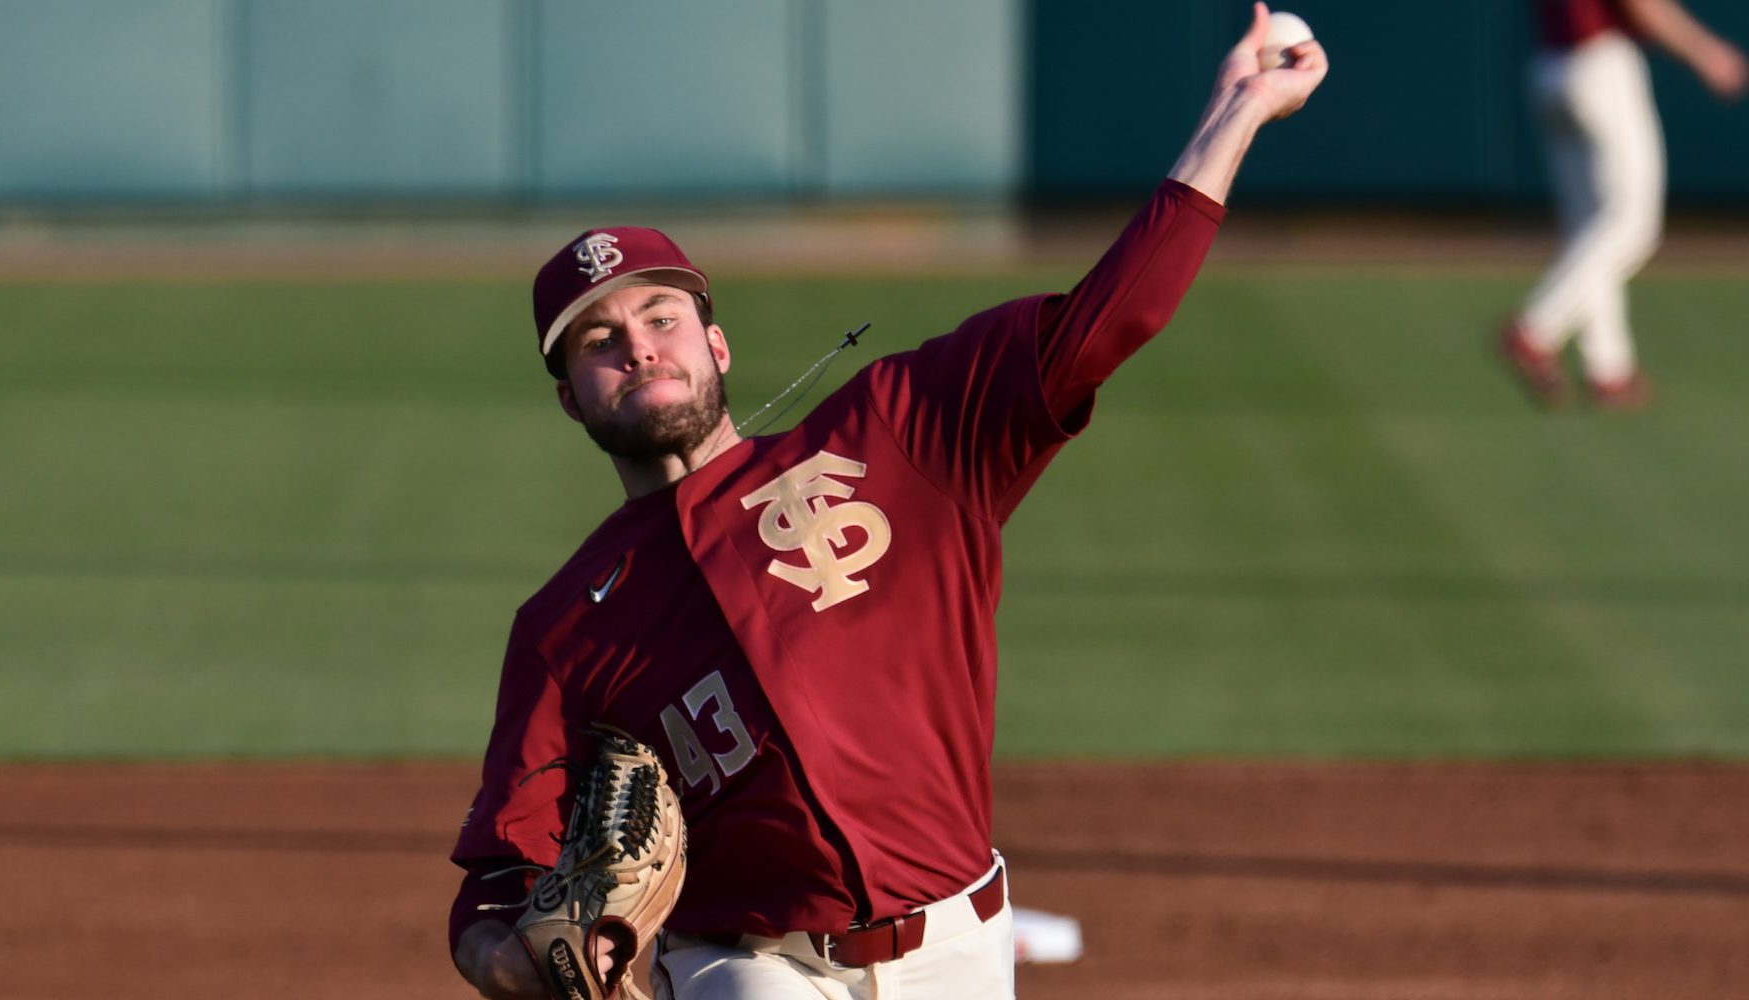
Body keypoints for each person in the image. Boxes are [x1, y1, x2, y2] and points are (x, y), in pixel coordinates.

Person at [448, 5, 1327, 998]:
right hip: (747, 961)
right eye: (596, 340)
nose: (636, 344)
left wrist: (1237, 109)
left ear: (717, 344)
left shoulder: (893, 435)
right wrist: (510, 961)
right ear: (571, 397)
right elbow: (493, 881)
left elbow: (1105, 319)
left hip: (960, 945)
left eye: (659, 315)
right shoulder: (566, 625)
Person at [1500, 0, 1746, 409]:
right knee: (1633, 223)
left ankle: (1608, 368)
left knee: (1589, 230)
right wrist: (1706, 51)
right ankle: (1536, 329)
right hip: (1600, 64)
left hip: (1550, 68)